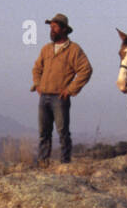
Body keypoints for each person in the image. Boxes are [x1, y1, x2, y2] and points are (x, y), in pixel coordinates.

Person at [31, 13, 92, 164]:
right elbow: (37, 68)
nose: (52, 30)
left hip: (60, 98)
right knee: (43, 133)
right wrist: (38, 84)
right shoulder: (46, 49)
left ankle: (65, 164)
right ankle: (43, 162)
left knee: (63, 133)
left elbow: (86, 70)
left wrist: (70, 90)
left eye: (55, 27)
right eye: (51, 27)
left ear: (64, 29)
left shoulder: (74, 50)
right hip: (44, 96)